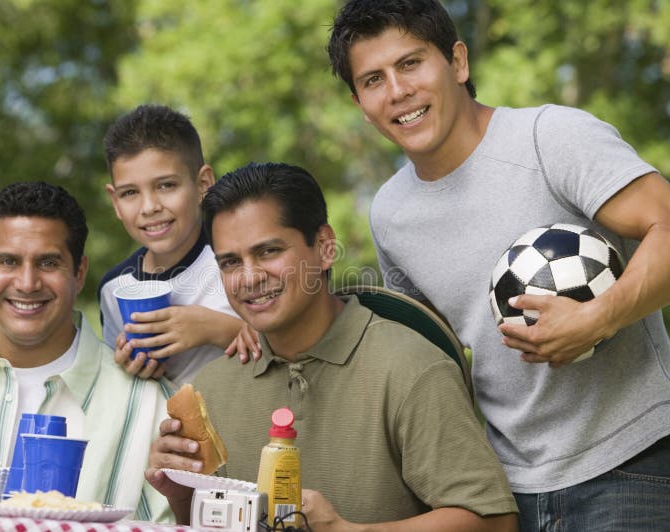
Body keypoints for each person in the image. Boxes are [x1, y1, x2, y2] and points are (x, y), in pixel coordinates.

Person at [327, 1, 670, 529]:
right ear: (360, 103)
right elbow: (426, 358)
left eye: (411, 63)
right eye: (373, 80)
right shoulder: (390, 214)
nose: (397, 91)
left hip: (633, 464)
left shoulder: (550, 138)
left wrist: (600, 317)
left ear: (458, 63)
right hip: (509, 491)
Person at [145, 162, 518, 530]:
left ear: (324, 247)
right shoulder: (211, 389)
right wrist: (183, 495)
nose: (249, 277)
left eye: (268, 252)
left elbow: (495, 522)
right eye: (230, 262)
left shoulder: (412, 368)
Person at [0, 181, 172, 521]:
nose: (27, 283)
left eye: (48, 263)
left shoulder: (151, 407)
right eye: (8, 261)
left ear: (79, 273)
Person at [99, 104, 258, 384]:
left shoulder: (239, 263)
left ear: (203, 184)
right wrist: (127, 369)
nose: (149, 207)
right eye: (130, 192)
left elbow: (294, 352)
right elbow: (121, 393)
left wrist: (216, 329)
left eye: (166, 186)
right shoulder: (114, 289)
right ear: (115, 201)